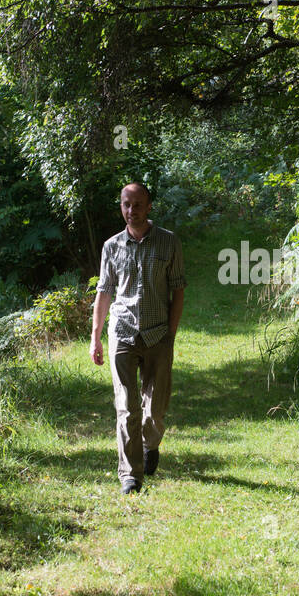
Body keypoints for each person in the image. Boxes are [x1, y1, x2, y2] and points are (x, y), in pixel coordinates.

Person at [89, 182, 186, 494]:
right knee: (127, 406)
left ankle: (151, 443)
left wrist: (170, 334)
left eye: (138, 204)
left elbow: (178, 290)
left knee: (155, 410)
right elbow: (104, 292)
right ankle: (131, 474)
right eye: (126, 204)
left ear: (149, 206)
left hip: (158, 334)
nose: (131, 211)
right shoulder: (111, 247)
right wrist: (95, 337)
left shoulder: (168, 243)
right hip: (122, 333)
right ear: (121, 206)